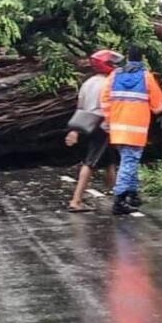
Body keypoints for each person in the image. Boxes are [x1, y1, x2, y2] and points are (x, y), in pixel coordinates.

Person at [101, 46, 162, 216]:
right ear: (141, 59)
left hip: (117, 128)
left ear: (127, 58)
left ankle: (133, 194)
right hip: (136, 130)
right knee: (129, 162)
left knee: (129, 161)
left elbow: (104, 99)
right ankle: (119, 199)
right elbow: (158, 107)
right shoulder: (146, 77)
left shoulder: (114, 75)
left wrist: (109, 118)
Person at [64, 49, 122, 213]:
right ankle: (76, 200)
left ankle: (117, 194)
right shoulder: (109, 83)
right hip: (102, 125)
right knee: (90, 162)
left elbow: (80, 107)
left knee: (110, 161)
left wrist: (74, 130)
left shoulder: (88, 83)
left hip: (89, 124)